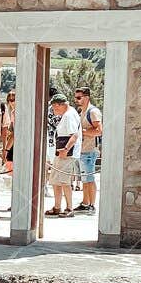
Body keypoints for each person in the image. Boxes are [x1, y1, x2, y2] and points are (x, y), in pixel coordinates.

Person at [48, 94, 81, 218]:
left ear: (59, 105)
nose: (54, 111)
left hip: (66, 153)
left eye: (54, 108)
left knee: (64, 181)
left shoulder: (69, 115)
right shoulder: (66, 115)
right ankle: (57, 207)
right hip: (61, 151)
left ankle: (69, 208)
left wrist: (66, 149)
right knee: (56, 180)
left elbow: (75, 135)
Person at [72, 86, 103, 216]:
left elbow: (99, 130)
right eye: (76, 98)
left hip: (90, 150)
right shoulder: (82, 112)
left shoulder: (93, 112)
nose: (77, 100)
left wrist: (82, 133)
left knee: (89, 178)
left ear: (87, 97)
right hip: (82, 150)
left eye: (79, 98)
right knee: (85, 178)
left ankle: (92, 205)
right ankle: (85, 203)